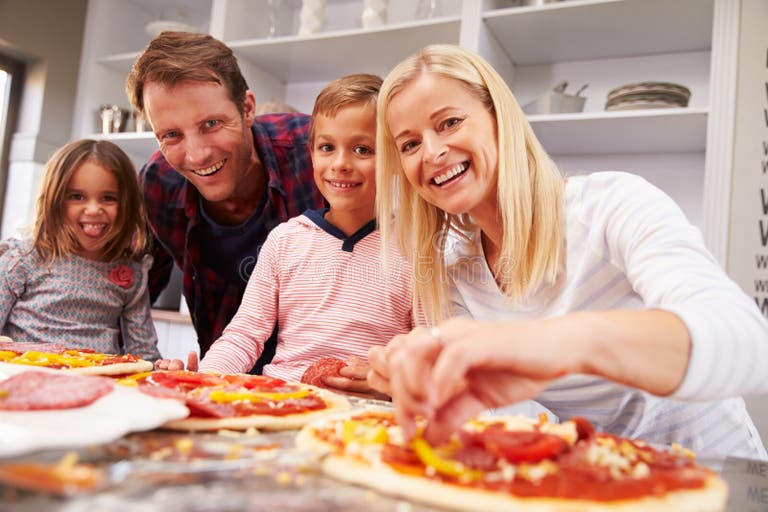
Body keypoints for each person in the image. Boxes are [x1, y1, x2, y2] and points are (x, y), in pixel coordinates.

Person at [367, 44, 768, 460]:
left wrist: (561, 343)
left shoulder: (611, 206)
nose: (432, 153)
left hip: (719, 471)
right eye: (410, 144)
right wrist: (440, 385)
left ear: (499, 118)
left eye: (449, 122)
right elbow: (529, 417)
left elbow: (748, 343)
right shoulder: (455, 272)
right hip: (599, 478)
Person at [157, 74, 414, 396]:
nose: (340, 163)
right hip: (282, 398)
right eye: (327, 147)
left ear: (394, 159)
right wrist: (204, 379)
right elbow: (245, 334)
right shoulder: (285, 240)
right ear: (311, 153)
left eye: (362, 149)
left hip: (370, 414)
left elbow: (428, 348)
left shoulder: (415, 248)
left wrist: (390, 379)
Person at [125, 31, 325, 369]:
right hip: (225, 378)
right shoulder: (158, 184)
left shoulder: (315, 153)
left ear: (247, 108)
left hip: (323, 380)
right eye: (171, 134)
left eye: (212, 123)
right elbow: (130, 291)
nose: (198, 154)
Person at [0, 139, 161, 362]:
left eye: (108, 198)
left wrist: (164, 369)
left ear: (127, 204)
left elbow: (145, 355)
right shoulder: (22, 259)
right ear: (54, 200)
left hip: (97, 385)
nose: (94, 209)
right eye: (77, 196)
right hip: (28, 379)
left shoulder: (131, 272)